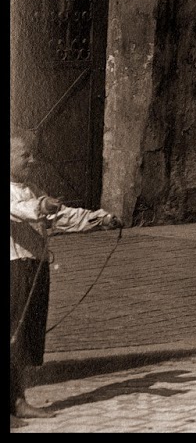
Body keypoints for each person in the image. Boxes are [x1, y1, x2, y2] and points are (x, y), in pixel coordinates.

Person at [11, 129, 120, 426]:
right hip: (13, 270)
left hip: (33, 267)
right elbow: (19, 211)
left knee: (24, 339)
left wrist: (99, 218)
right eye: (25, 155)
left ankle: (18, 401)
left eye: (32, 154)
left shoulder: (30, 187)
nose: (32, 160)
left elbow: (58, 216)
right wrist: (41, 207)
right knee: (13, 336)